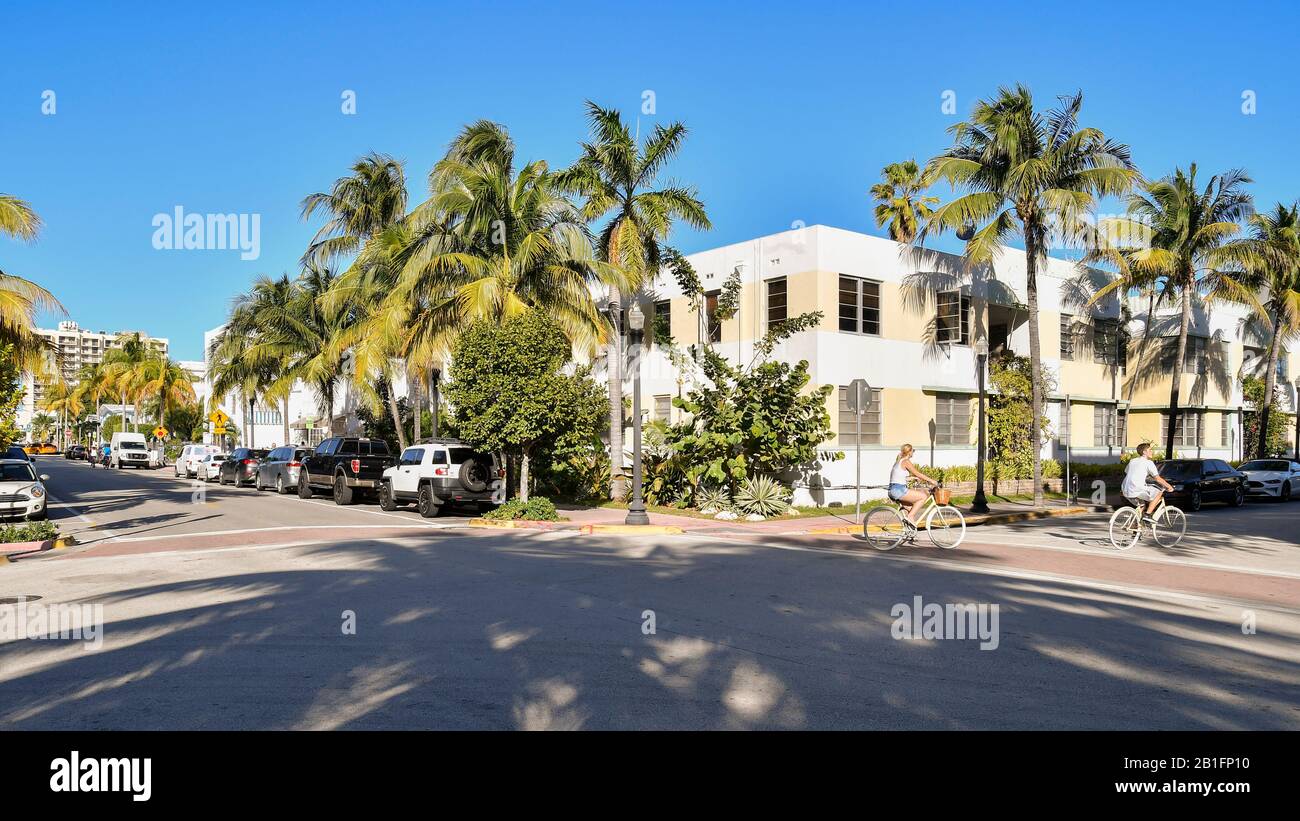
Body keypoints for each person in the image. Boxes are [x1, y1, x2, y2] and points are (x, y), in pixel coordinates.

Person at [888, 444, 939, 526]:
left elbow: (898, 477)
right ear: (909, 452)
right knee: (923, 496)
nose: (913, 453)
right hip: (899, 490)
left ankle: (910, 533)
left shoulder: (899, 461)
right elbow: (918, 473)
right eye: (912, 451)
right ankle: (910, 516)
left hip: (893, 490)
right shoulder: (906, 461)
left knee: (912, 508)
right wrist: (932, 481)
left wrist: (912, 478)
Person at [1122, 442, 1174, 522]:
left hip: (1125, 489)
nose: (1152, 452)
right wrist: (1169, 486)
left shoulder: (1132, 461)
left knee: (1142, 506)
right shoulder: (1148, 463)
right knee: (1159, 492)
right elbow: (1157, 478)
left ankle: (1136, 529)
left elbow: (1127, 472)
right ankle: (1148, 515)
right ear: (1144, 452)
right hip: (1137, 488)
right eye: (1150, 450)